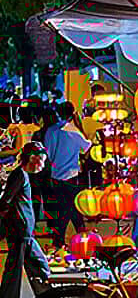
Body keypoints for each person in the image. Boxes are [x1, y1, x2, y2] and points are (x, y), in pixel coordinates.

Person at [1, 143, 51, 298]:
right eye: (42, 160)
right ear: (32, 158)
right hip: (20, 230)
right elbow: (7, 200)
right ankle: (47, 296)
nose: (43, 165)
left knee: (30, 264)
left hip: (22, 229)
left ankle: (46, 297)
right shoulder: (19, 175)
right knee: (30, 264)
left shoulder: (21, 175)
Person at [41, 101, 88, 250]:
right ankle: (80, 238)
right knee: (71, 208)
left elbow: (48, 154)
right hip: (72, 175)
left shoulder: (50, 131)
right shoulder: (73, 130)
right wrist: (79, 125)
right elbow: (87, 147)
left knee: (64, 208)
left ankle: (62, 241)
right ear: (72, 114)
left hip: (55, 175)